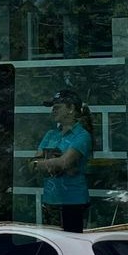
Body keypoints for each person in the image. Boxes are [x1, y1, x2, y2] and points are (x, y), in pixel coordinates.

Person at [32, 90, 93, 232]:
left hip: (73, 201)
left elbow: (65, 162)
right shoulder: (51, 134)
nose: (53, 111)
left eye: (57, 107)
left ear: (71, 108)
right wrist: (53, 163)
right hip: (50, 200)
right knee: (50, 244)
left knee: (73, 243)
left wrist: (43, 163)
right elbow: (33, 163)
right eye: (53, 108)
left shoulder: (82, 136)